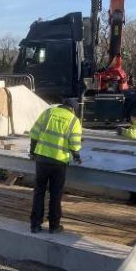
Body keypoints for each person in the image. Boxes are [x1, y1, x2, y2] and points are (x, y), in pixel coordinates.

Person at [29, 99, 82, 234]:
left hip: (42, 159)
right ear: (73, 109)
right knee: (55, 194)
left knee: (39, 192)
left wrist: (32, 151)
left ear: (62, 105)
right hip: (59, 162)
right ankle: (54, 226)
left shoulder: (48, 112)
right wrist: (76, 156)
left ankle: (35, 225)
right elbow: (74, 145)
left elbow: (34, 133)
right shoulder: (74, 120)